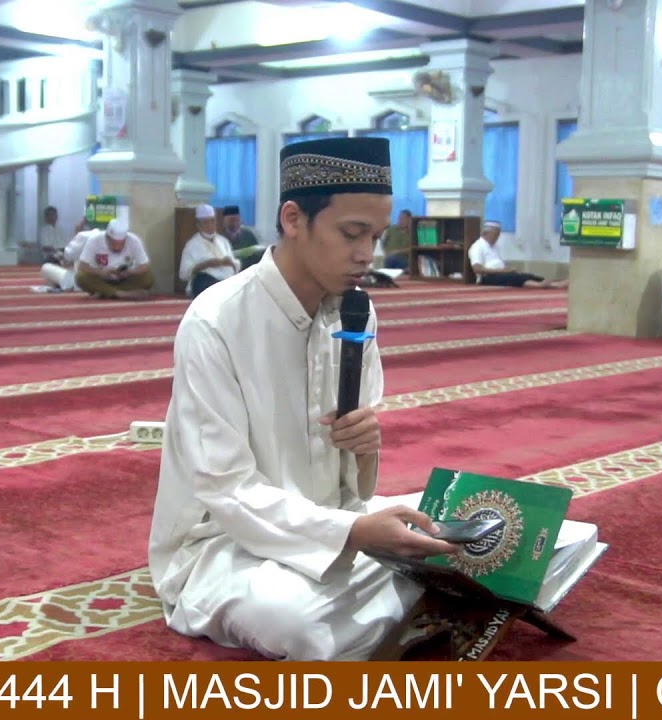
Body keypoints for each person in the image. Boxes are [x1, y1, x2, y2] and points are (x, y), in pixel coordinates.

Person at [149, 136, 458, 661]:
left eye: (377, 237)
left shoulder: (356, 311)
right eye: (352, 234)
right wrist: (356, 532)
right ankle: (432, 603)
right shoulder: (216, 320)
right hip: (228, 541)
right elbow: (226, 487)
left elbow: (356, 483)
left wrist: (365, 448)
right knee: (293, 622)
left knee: (516, 539)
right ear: (293, 219)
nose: (367, 255)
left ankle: (410, 602)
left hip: (340, 521)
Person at [467, 220, 566, 288]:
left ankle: (553, 284)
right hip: (487, 278)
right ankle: (539, 285)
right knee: (514, 278)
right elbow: (477, 269)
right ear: (486, 233)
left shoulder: (494, 247)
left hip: (501, 273)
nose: (497, 238)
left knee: (526, 275)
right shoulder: (477, 246)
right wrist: (501, 271)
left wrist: (506, 269)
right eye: (495, 235)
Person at [74, 218, 154, 300]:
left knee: (147, 278)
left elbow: (144, 265)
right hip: (101, 278)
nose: (117, 247)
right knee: (81, 277)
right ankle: (121, 294)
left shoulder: (133, 240)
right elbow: (82, 265)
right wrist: (101, 272)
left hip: (124, 280)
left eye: (121, 243)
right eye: (114, 243)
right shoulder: (94, 240)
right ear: (107, 237)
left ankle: (105, 292)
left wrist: (129, 272)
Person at [179, 204, 240, 298]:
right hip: (206, 281)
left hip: (226, 280)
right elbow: (183, 274)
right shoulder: (192, 245)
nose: (210, 225)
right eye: (206, 222)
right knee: (202, 281)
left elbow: (235, 265)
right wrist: (206, 264)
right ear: (198, 225)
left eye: (212, 221)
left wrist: (230, 262)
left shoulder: (223, 241)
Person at [39, 224, 95, 293]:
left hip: (76, 281)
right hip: (97, 281)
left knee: (45, 267)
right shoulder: (103, 240)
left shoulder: (83, 237)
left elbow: (67, 258)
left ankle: (57, 285)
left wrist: (65, 260)